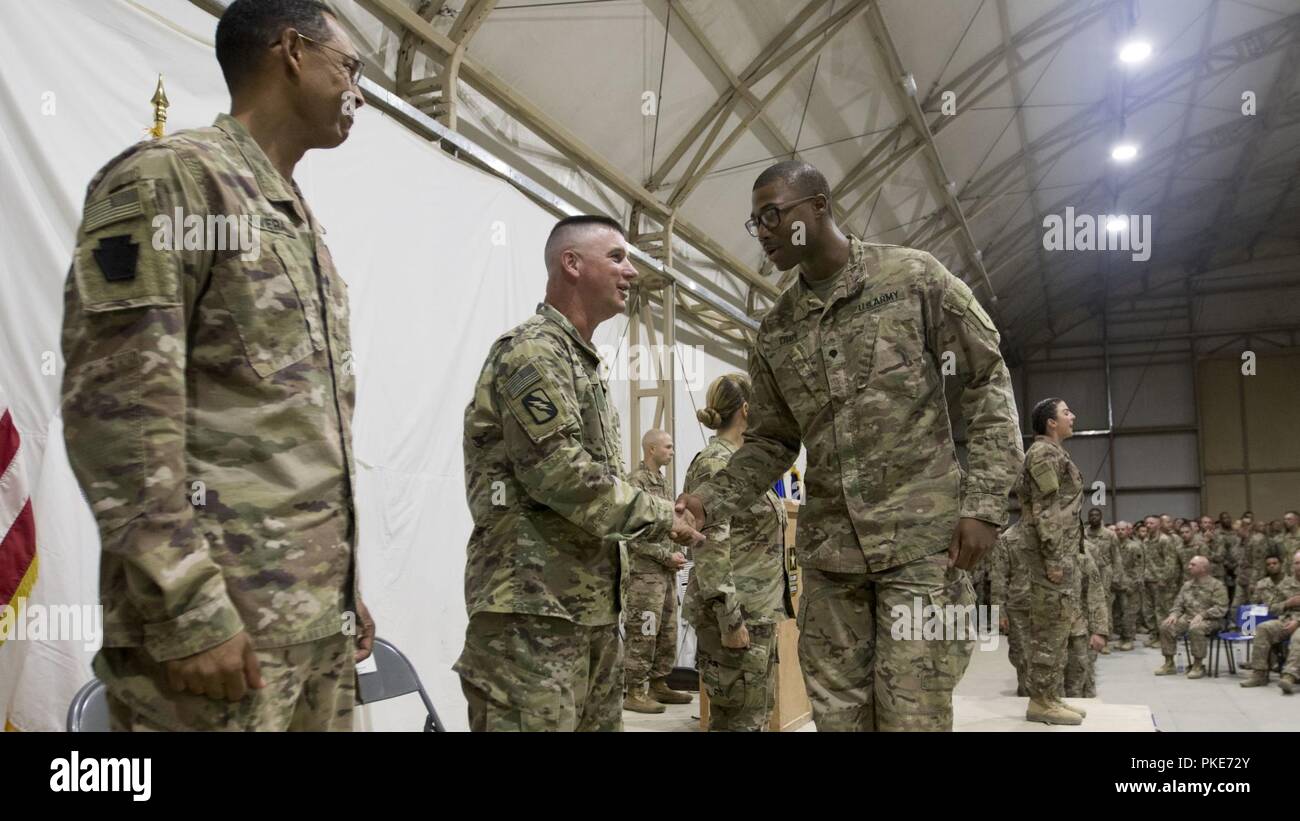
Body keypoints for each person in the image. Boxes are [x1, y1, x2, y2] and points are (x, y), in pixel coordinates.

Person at [61, 0, 375, 731]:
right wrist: (188, 606)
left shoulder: (296, 221)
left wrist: (341, 584)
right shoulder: (172, 182)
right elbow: (117, 415)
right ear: (291, 51)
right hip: (217, 638)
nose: (357, 91)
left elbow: (291, 427)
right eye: (349, 68)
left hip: (307, 628)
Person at [674, 160, 1023, 731]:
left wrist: (985, 504)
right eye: (753, 221)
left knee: (914, 718)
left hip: (920, 549)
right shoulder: (778, 330)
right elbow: (771, 441)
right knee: (839, 721)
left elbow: (987, 381)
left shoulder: (913, 279)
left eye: (772, 214)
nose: (761, 230)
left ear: (818, 206)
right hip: (832, 559)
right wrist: (708, 499)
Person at [455, 215, 701, 732]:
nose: (630, 272)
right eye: (616, 257)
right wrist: (663, 516)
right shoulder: (531, 353)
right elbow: (559, 474)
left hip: (585, 611)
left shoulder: (582, 364)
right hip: (531, 613)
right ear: (572, 263)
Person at [683, 373, 793, 731]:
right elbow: (709, 546)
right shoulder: (717, 464)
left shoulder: (744, 463)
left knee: (753, 716)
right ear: (747, 409)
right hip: (735, 616)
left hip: (755, 612)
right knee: (738, 722)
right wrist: (730, 619)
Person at [1018, 398, 1087, 725]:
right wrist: (1054, 559)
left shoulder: (1055, 453)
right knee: (1048, 628)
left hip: (1060, 553)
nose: (1072, 416)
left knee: (1058, 626)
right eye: (1066, 412)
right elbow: (1045, 510)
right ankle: (1040, 701)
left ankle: (1050, 695)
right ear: (1051, 422)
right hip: (1051, 556)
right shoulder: (1044, 453)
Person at [623, 430, 692, 713]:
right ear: (651, 449)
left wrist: (680, 542)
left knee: (667, 630)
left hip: (665, 573)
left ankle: (659, 683)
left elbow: (666, 526)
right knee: (644, 631)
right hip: (644, 574)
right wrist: (666, 555)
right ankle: (635, 690)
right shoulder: (635, 483)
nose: (672, 451)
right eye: (668, 446)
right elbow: (632, 536)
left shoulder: (663, 483)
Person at [1154, 556, 1227, 679]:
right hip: (1188, 618)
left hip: (1211, 620)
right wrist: (1174, 614)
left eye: (1193, 565)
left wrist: (1203, 614)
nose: (1189, 567)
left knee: (1196, 628)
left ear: (1203, 568)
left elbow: (1221, 608)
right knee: (1166, 626)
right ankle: (1169, 663)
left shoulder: (1217, 585)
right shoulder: (1187, 585)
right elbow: (1178, 604)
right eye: (1189, 564)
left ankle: (1198, 665)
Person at [1240, 550, 1300, 694]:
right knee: (1263, 628)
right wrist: (1287, 603)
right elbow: (1272, 608)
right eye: (1297, 563)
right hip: (1285, 621)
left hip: (1297, 623)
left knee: (1298, 637)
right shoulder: (1286, 584)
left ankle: (1289, 676)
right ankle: (1259, 673)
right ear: (1292, 565)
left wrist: (1297, 622)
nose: (1299, 566)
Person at [989, 524, 1030, 695]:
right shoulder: (1008, 538)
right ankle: (1027, 693)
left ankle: (1049, 698)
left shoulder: (1052, 533)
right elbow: (999, 578)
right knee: (1022, 656)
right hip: (1019, 606)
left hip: (1051, 606)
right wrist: (998, 613)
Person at [1064, 543, 1107, 699]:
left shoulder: (1082, 552)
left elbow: (1096, 591)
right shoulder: (1017, 542)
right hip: (1036, 625)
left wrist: (1099, 630)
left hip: (1076, 624)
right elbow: (997, 582)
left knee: (1080, 676)